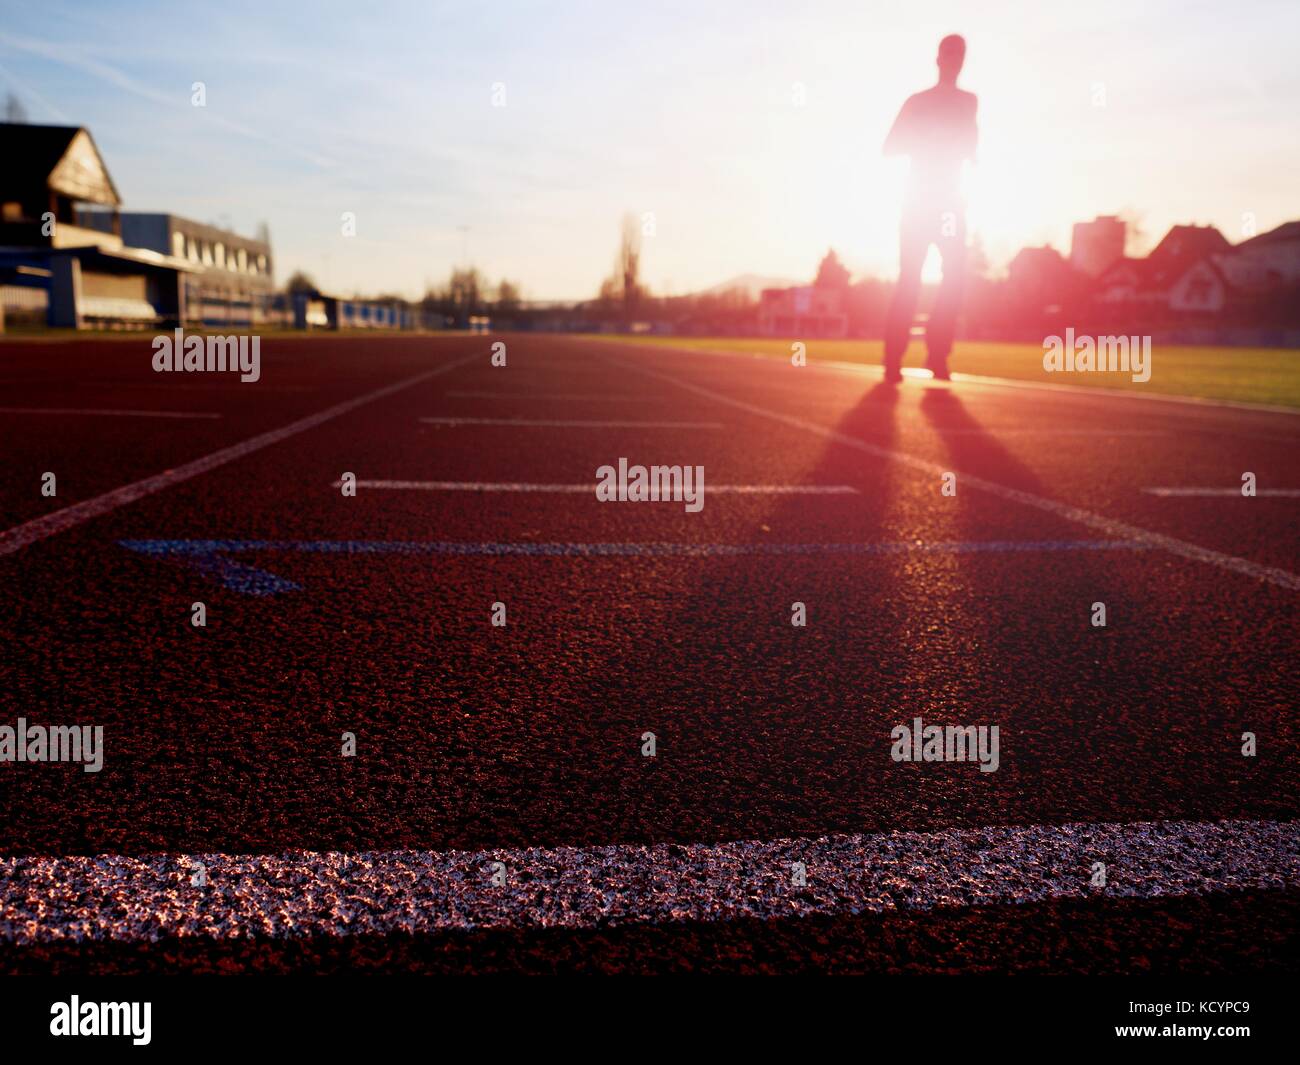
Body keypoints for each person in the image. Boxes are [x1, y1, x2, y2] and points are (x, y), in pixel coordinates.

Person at [882, 34, 978, 382]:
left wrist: (967, 150)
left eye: (960, 56)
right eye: (949, 55)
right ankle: (893, 358)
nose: (954, 61)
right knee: (910, 278)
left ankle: (938, 355)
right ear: (938, 59)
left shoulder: (970, 103)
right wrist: (930, 139)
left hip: (950, 206)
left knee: (954, 278)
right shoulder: (917, 102)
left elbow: (972, 147)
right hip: (918, 203)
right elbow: (889, 147)